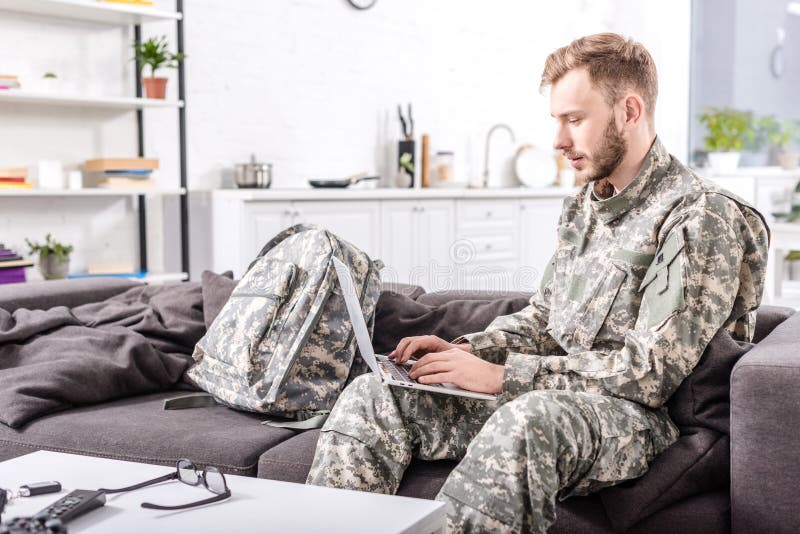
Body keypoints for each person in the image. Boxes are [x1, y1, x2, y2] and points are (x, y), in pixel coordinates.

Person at [306, 32, 769, 532]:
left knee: (527, 422)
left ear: (629, 110)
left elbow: (650, 374)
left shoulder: (699, 217)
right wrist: (467, 353)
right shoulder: (585, 205)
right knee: (373, 396)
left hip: (643, 420)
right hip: (552, 396)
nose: (558, 140)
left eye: (574, 119)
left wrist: (504, 377)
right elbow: (546, 318)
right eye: (557, 120)